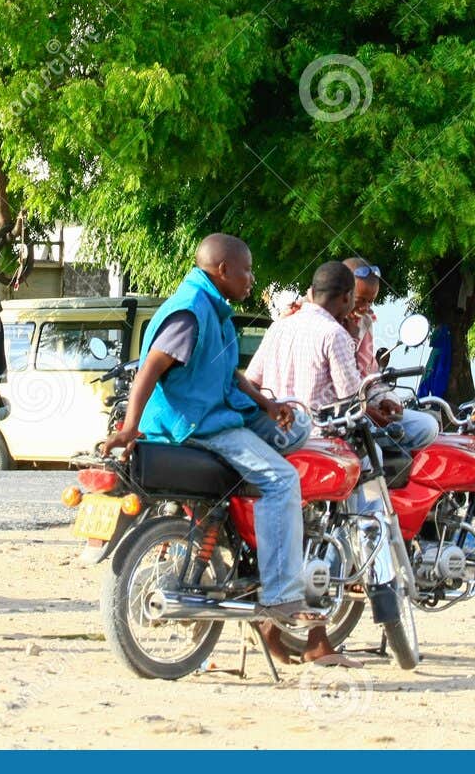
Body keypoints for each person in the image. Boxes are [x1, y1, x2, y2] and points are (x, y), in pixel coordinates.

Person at [103, 233, 321, 627]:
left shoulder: (211, 307)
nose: (251, 279)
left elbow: (225, 371)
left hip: (216, 412)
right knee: (281, 479)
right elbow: (150, 368)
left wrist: (267, 405)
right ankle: (282, 595)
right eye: (247, 271)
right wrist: (130, 426)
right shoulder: (190, 312)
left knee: (297, 428)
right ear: (223, 270)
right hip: (197, 424)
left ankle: (248, 526)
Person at [243, 261, 369, 666]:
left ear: (312, 291)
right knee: (334, 533)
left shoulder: (280, 326)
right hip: (319, 449)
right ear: (346, 298)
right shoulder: (335, 335)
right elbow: (351, 400)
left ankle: (276, 624)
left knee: (300, 535)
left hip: (275, 444)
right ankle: (317, 639)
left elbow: (253, 379)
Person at [342, 256, 439, 451]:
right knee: (371, 451)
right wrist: (365, 411)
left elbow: (370, 376)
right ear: (342, 293)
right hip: (338, 415)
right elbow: (334, 393)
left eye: (370, 302)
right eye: (360, 300)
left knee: (427, 426)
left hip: (363, 408)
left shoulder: (364, 322)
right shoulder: (322, 325)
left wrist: (386, 400)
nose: (365, 308)